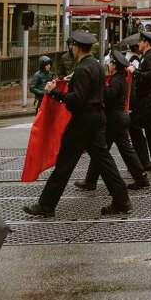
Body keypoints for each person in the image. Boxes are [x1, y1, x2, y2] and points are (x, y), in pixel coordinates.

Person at [24, 31, 131, 218]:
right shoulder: (96, 66)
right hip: (97, 118)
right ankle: (122, 201)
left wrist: (54, 93)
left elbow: (76, 100)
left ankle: (46, 205)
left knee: (64, 164)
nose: (71, 49)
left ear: (76, 47)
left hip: (82, 122)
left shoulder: (82, 69)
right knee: (104, 162)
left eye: (71, 46)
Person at [77, 50, 149, 192]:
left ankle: (91, 182)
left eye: (110, 62)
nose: (108, 64)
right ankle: (140, 178)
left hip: (114, 120)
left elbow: (109, 96)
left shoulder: (116, 80)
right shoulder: (120, 78)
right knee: (111, 151)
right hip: (119, 119)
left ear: (115, 66)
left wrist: (101, 85)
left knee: (103, 151)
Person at [129, 31, 151, 170]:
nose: (138, 44)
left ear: (146, 43)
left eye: (140, 41)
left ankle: (145, 161)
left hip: (150, 99)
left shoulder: (150, 57)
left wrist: (135, 72)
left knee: (134, 125)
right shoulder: (148, 56)